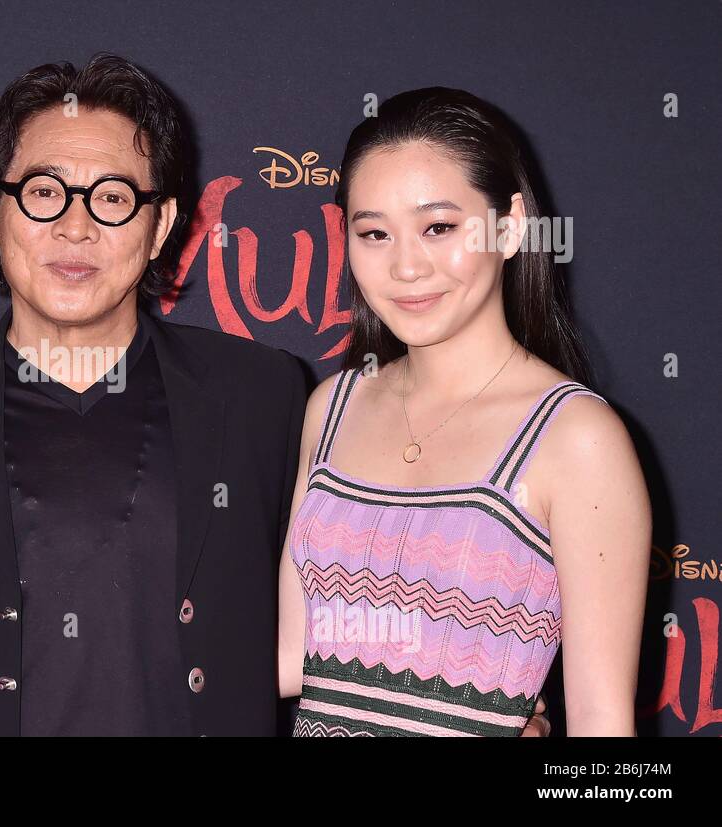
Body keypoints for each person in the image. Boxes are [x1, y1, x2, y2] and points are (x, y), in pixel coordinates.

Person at [0, 53, 306, 736]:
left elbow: (349, 596)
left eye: (114, 197)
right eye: (43, 191)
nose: (77, 226)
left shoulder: (260, 394)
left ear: (160, 226)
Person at [277, 88, 651, 736]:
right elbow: (288, 658)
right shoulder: (331, 408)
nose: (405, 265)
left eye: (439, 227)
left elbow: (602, 727)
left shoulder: (574, 438)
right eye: (373, 233)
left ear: (508, 228)